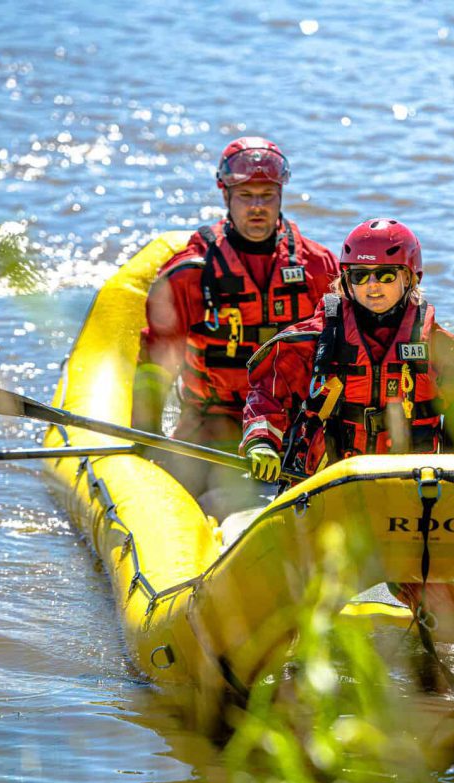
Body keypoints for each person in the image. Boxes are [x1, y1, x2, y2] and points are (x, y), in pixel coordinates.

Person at [240, 218, 454, 632]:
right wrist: (262, 442)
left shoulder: (442, 349)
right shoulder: (311, 341)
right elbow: (266, 395)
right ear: (346, 279)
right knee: (286, 601)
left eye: (386, 275)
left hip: (413, 497)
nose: (372, 286)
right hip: (330, 489)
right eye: (360, 276)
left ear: (410, 279)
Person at [133, 136, 339, 508]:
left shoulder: (316, 266)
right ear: (226, 195)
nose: (257, 208)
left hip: (290, 426)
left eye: (267, 196)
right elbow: (156, 362)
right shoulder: (190, 274)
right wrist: (145, 442)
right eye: (246, 196)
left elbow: (344, 348)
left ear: (280, 196)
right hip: (212, 426)